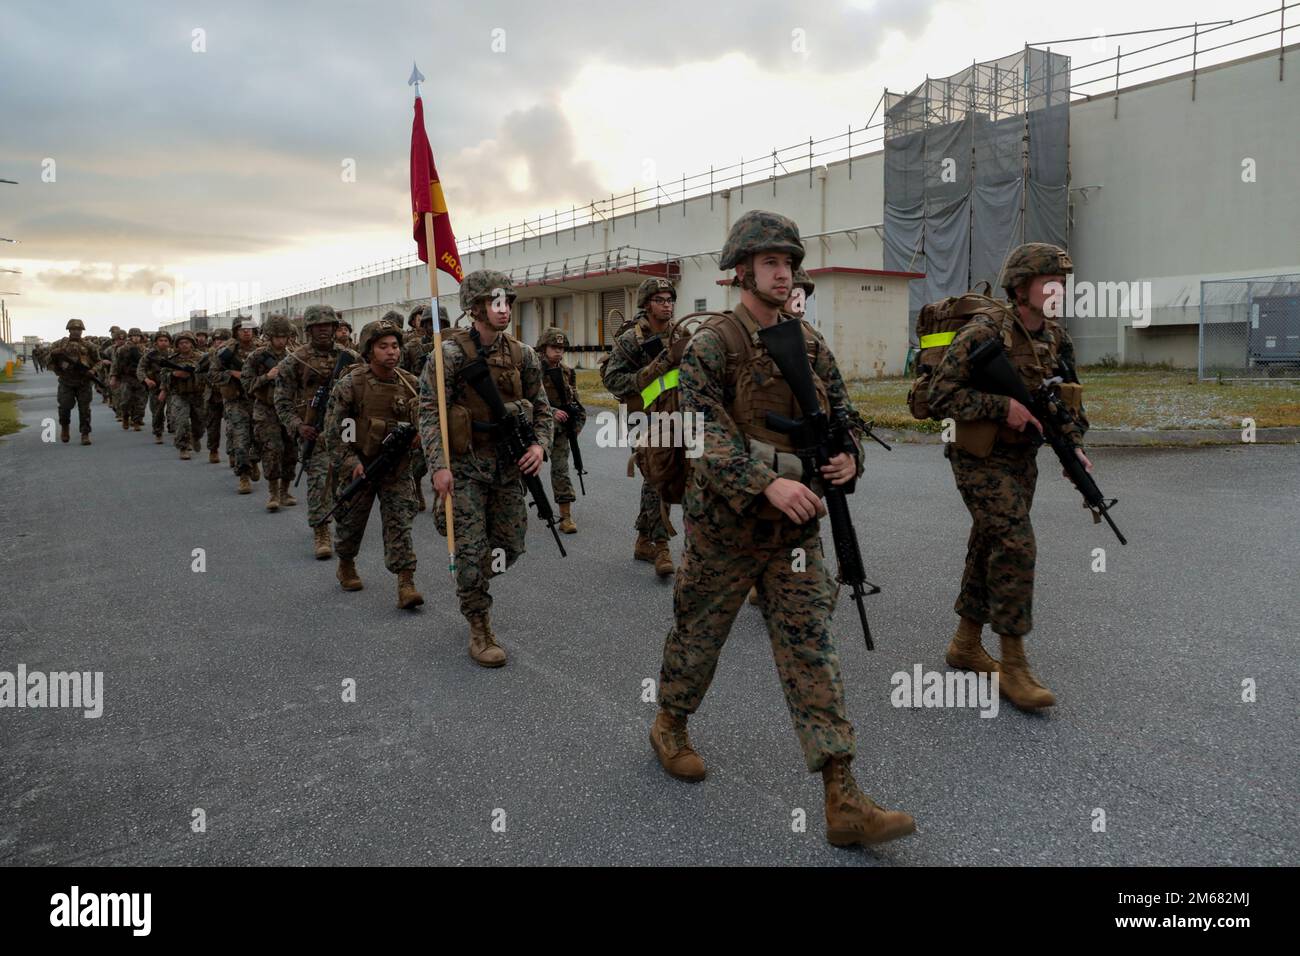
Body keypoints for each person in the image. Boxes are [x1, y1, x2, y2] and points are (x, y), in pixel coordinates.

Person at [650, 210, 915, 848]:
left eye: (788, 263)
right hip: (725, 530)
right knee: (699, 636)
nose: (782, 272)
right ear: (742, 271)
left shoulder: (808, 342)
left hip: (794, 534)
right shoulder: (716, 342)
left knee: (810, 648)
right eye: (770, 262)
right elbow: (699, 429)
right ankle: (670, 723)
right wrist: (764, 481)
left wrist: (847, 454)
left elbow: (841, 410)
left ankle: (843, 797)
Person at [927, 242, 1092, 711]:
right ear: (1021, 287)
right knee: (1016, 543)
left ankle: (964, 644)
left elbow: (1069, 401)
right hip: (978, 456)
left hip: (1022, 460)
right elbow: (940, 397)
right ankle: (1014, 667)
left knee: (990, 541)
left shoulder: (1056, 338)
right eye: (1050, 282)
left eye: (1063, 283)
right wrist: (1003, 407)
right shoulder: (985, 334)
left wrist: (1073, 445)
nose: (1059, 291)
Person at [418, 269, 553, 667]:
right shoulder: (448, 354)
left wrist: (539, 446)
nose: (504, 309)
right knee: (473, 549)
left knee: (509, 545)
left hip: (508, 468)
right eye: (495, 302)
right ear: (475, 307)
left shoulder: (523, 354)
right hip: (465, 467)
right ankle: (479, 623)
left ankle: (470, 581)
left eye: (508, 301)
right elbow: (429, 412)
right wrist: (438, 467)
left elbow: (542, 408)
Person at [324, 318, 424, 608]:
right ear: (369, 351)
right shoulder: (351, 384)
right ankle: (346, 562)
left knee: (400, 525)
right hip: (362, 466)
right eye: (383, 347)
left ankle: (406, 582)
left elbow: (424, 422)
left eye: (395, 346)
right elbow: (337, 430)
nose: (391, 352)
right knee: (350, 525)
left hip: (397, 469)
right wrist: (350, 461)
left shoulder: (411, 384)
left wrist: (418, 437)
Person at [600, 276, 679, 577]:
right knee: (658, 473)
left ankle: (643, 539)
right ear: (646, 305)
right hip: (641, 416)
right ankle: (661, 546)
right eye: (660, 300)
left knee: (667, 474)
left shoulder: (679, 333)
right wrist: (647, 374)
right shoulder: (631, 340)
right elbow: (611, 380)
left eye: (670, 299)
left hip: (674, 412)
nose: (667, 305)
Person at [274, 304, 358, 557]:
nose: (324, 330)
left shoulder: (350, 357)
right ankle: (321, 530)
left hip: (346, 429)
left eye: (328, 326)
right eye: (318, 326)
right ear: (309, 329)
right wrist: (298, 426)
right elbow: (282, 400)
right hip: (315, 431)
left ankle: (345, 527)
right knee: (320, 481)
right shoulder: (295, 360)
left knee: (347, 480)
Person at [243, 316, 297, 511]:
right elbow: (246, 384)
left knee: (291, 451)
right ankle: (273, 492)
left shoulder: (295, 356)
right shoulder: (256, 357)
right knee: (272, 449)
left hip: (289, 410)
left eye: (285, 336)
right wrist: (267, 377)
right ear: (270, 336)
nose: (281, 340)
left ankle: (285, 491)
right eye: (277, 336)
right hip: (266, 409)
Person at [535, 326, 585, 534]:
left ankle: (565, 516)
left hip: (561, 430)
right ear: (543, 348)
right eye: (554, 347)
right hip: (536, 429)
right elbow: (526, 400)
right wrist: (552, 411)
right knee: (522, 471)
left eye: (561, 348)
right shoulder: (532, 369)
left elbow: (575, 401)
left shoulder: (567, 372)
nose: (558, 352)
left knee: (560, 469)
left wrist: (577, 425)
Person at [214, 318, 262, 493]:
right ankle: (244, 475)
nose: (246, 332)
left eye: (250, 329)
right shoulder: (225, 351)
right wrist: (231, 374)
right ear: (235, 331)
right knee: (241, 438)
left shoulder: (262, 349)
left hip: (258, 400)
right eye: (242, 329)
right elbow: (212, 375)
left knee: (258, 437)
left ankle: (254, 460)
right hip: (236, 401)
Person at [46, 319, 99, 444]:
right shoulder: (59, 344)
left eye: (79, 330)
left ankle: (85, 434)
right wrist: (54, 355)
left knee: (85, 409)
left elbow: (99, 362)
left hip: (84, 382)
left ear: (82, 331)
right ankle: (65, 427)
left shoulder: (89, 346)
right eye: (73, 329)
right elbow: (47, 361)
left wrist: (93, 371)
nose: (76, 332)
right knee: (64, 407)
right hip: (66, 382)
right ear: (69, 330)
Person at [159, 331, 205, 460]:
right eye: (181, 343)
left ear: (192, 344)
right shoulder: (172, 360)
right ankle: (183, 447)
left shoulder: (202, 358)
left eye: (187, 342)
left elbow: (211, 373)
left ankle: (196, 437)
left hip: (198, 395)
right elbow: (163, 375)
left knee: (199, 424)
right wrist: (174, 375)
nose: (184, 345)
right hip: (179, 395)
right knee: (180, 421)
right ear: (177, 345)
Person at [109, 327, 148, 432]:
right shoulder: (122, 349)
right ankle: (125, 417)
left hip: (140, 378)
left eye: (138, 336)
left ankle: (136, 421)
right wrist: (113, 377)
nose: (136, 338)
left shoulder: (144, 350)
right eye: (133, 336)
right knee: (126, 401)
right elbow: (116, 364)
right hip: (127, 378)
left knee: (140, 402)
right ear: (130, 337)